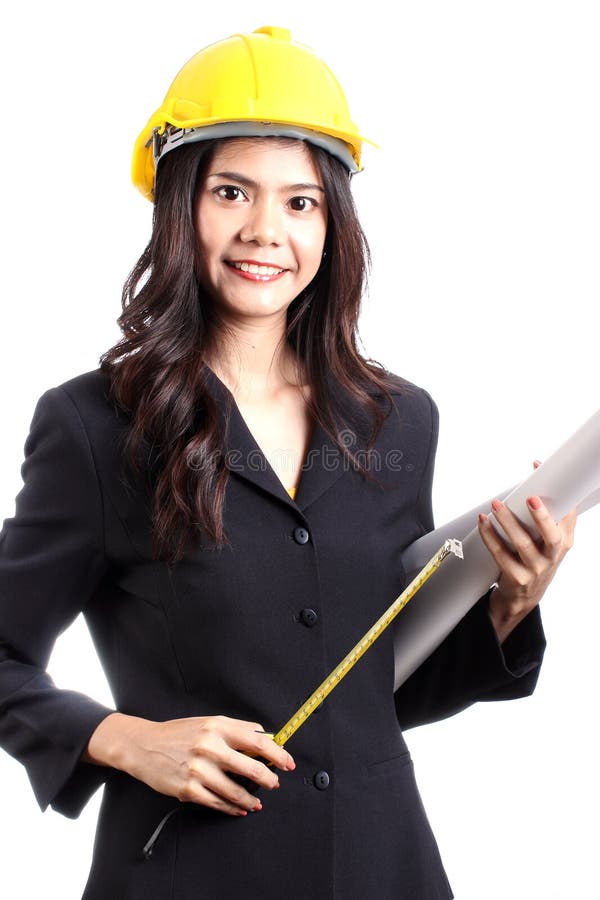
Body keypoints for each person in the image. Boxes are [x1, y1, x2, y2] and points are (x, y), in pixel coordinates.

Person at [0, 25, 575, 900]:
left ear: (333, 220)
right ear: (180, 202)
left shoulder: (397, 419)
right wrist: (122, 737)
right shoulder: (94, 426)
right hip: (192, 877)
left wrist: (507, 604)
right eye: (232, 191)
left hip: (384, 870)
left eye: (300, 202)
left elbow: (373, 697)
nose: (265, 230)